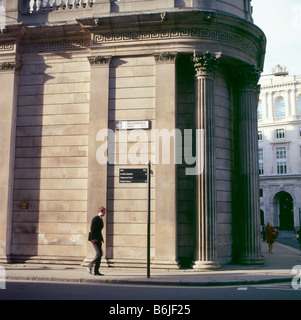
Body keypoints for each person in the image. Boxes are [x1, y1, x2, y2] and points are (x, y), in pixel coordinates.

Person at [86, 206, 106, 276]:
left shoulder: (100, 219)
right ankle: (89, 265)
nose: (105, 213)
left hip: (99, 238)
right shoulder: (96, 218)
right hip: (95, 239)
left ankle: (96, 271)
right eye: (104, 211)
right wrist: (93, 238)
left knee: (100, 254)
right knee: (99, 253)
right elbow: (92, 229)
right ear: (101, 211)